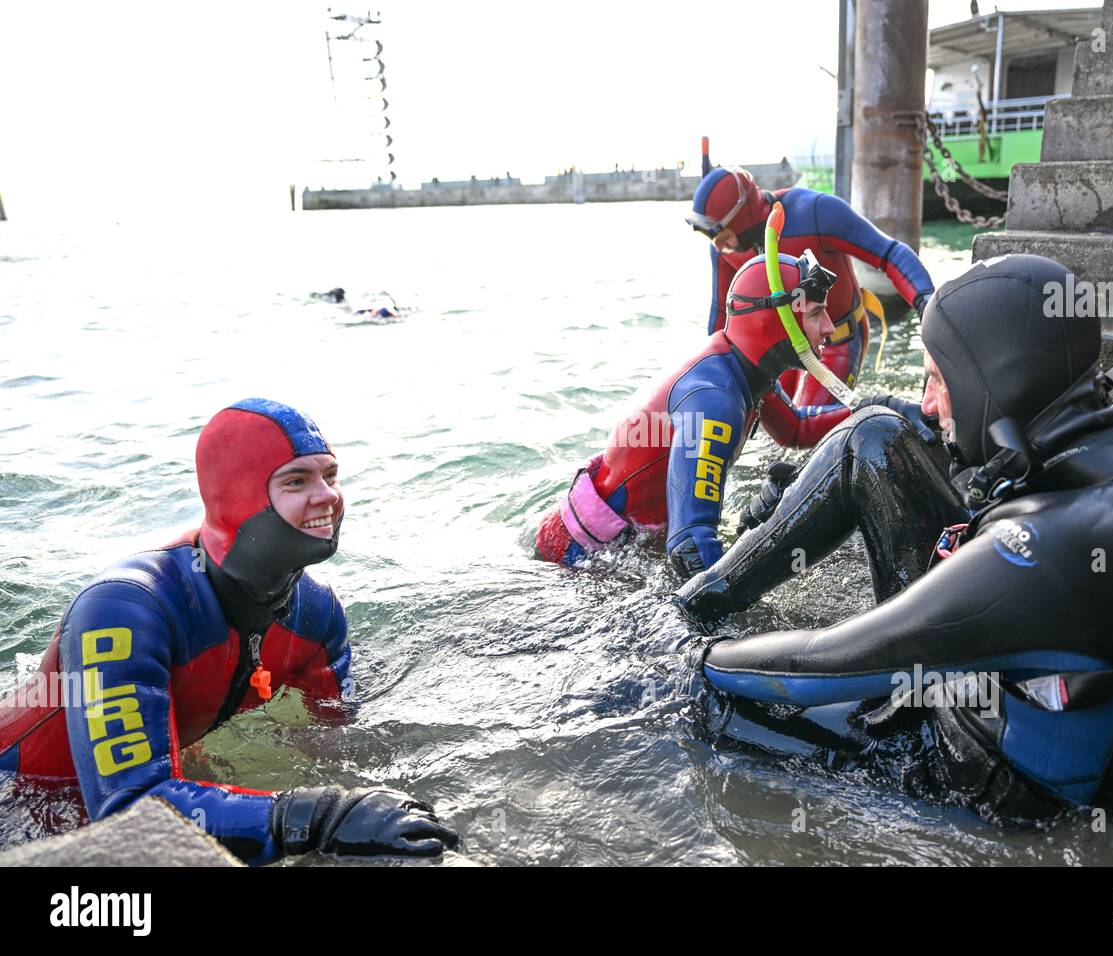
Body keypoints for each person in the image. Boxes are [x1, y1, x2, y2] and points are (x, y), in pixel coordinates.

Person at [675, 255, 1113, 821]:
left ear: (994, 379)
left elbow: (820, 662)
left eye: (939, 380)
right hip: (1099, 723)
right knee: (875, 436)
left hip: (1005, 783)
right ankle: (706, 593)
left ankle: (686, 626)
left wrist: (693, 661)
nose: (930, 406)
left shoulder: (1042, 550)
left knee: (708, 697)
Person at [0, 398, 460, 863]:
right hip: (19, 800)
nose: (328, 496)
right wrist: (314, 817)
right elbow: (128, 813)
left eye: (331, 475)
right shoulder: (124, 607)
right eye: (297, 481)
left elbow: (337, 744)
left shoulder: (317, 613)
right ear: (240, 497)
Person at [536, 246, 841, 578]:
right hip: (577, 558)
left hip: (606, 539)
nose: (829, 328)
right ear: (775, 320)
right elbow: (691, 547)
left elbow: (797, 429)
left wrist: (882, 408)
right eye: (815, 314)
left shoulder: (746, 371)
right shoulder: (715, 401)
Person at [687, 164, 935, 446]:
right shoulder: (723, 249)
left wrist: (928, 306)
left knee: (812, 440)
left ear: (743, 214)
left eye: (723, 236)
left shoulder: (816, 212)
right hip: (777, 353)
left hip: (835, 339)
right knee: (773, 442)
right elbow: (722, 314)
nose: (719, 246)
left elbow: (890, 254)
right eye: (714, 239)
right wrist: (711, 378)